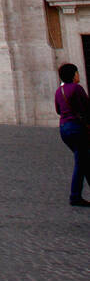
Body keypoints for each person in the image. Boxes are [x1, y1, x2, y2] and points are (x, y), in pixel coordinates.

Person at [54, 62, 90, 207]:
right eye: (77, 72)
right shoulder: (77, 88)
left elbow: (58, 110)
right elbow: (87, 106)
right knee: (82, 161)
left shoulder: (59, 91)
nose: (78, 75)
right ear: (73, 75)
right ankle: (75, 196)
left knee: (84, 159)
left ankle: (76, 195)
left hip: (64, 129)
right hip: (77, 128)